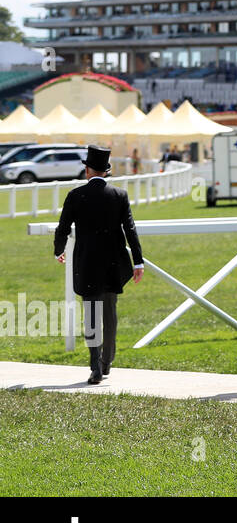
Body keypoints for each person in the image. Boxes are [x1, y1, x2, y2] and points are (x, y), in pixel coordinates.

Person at [53, 145, 144, 385]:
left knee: (91, 314)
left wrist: (58, 250)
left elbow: (62, 228)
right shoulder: (119, 195)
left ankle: (94, 365)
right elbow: (130, 230)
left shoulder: (75, 195)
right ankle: (107, 362)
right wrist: (138, 261)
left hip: (87, 263)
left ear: (88, 170)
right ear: (106, 171)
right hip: (113, 263)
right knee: (110, 314)